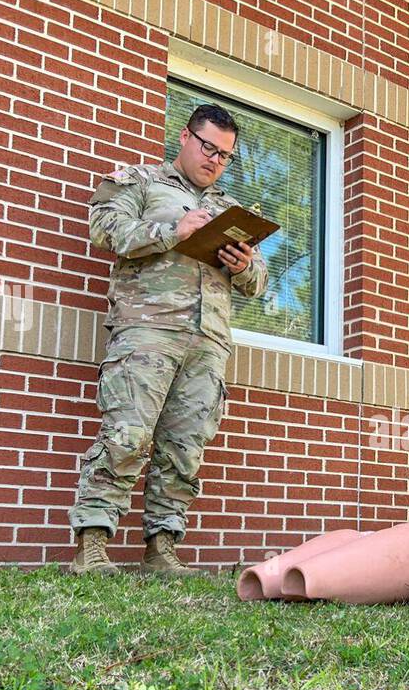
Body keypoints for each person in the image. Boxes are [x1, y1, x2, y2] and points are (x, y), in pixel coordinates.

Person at [68, 104, 268, 576]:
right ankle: (91, 544)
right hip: (147, 330)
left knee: (185, 447)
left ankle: (161, 549)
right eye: (208, 148)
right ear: (185, 137)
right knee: (127, 435)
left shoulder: (227, 210)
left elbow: (259, 281)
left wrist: (243, 267)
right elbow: (104, 228)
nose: (215, 160)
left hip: (207, 341)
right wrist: (171, 231)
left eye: (226, 155)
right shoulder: (139, 181)